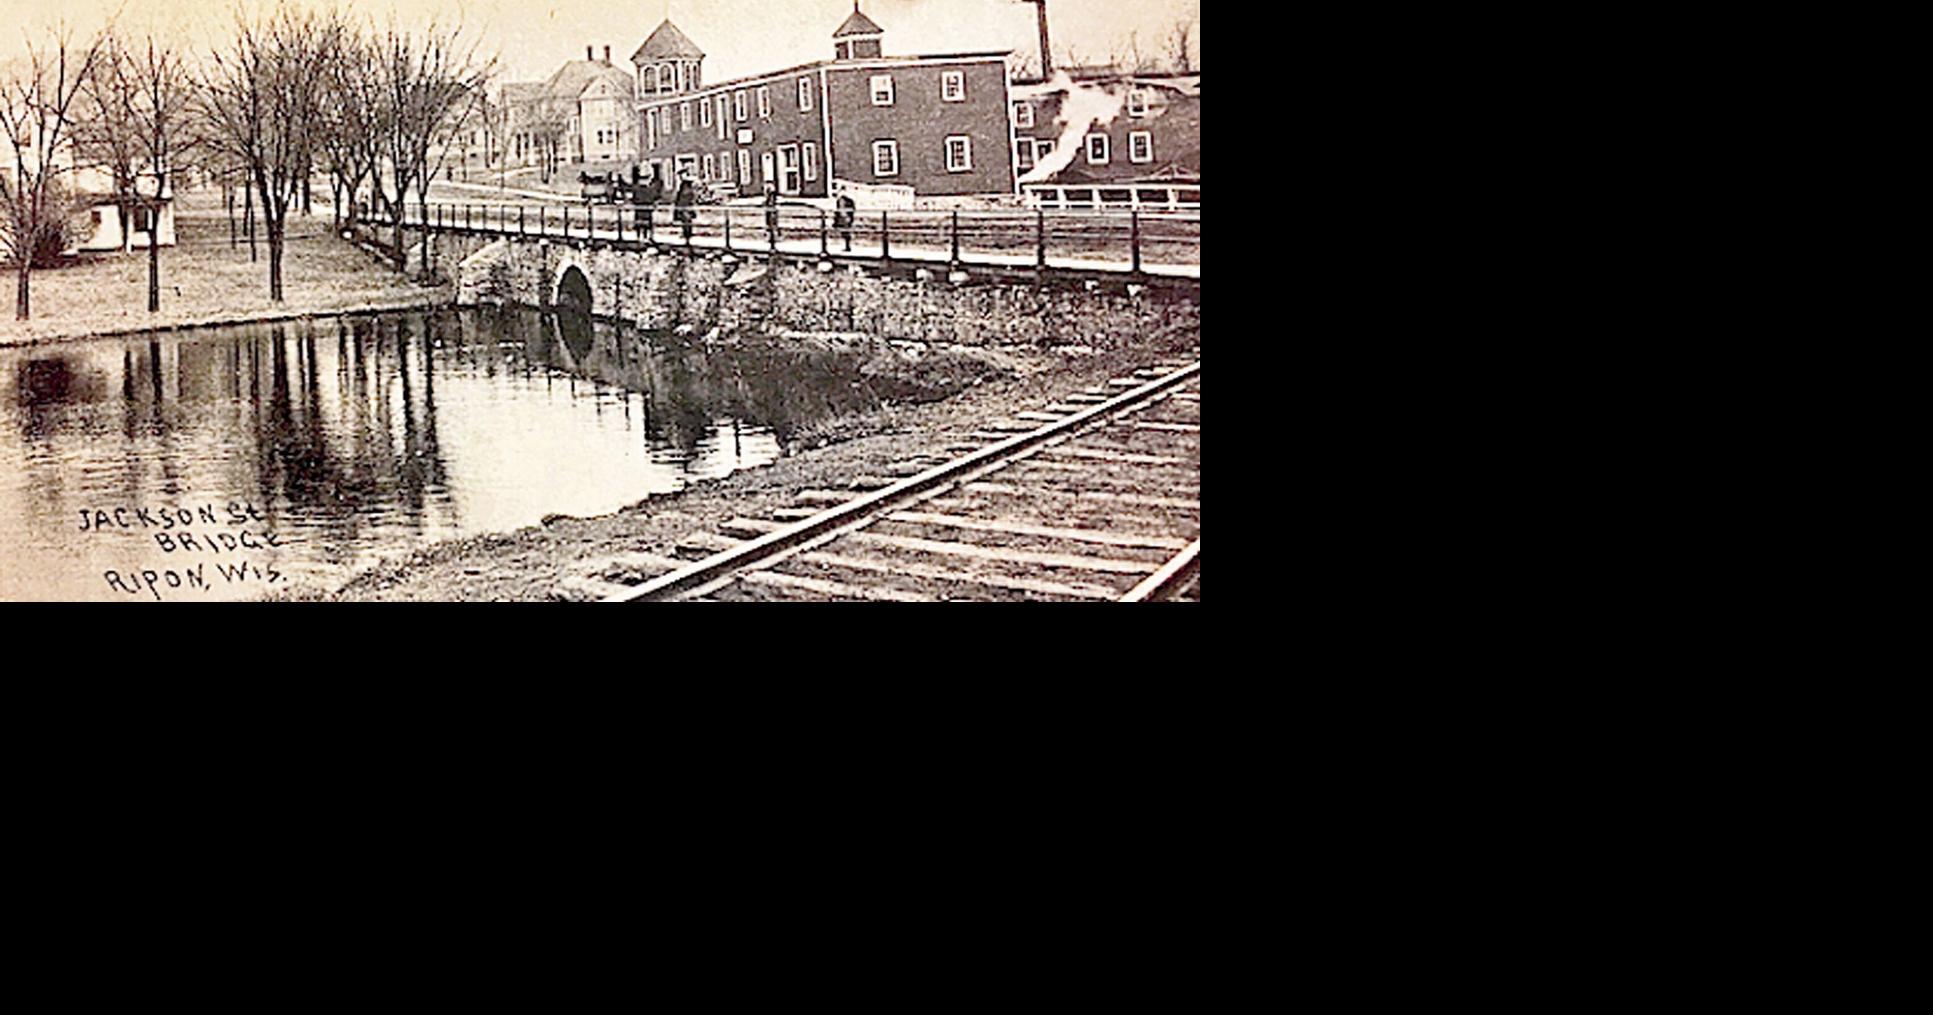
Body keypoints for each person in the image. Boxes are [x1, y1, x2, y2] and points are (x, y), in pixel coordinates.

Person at [636, 166, 663, 240]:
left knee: (644, 223)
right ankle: (644, 236)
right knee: (643, 223)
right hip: (643, 208)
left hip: (644, 208)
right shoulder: (646, 189)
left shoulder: (642, 189)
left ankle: (644, 236)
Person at [674, 175, 696, 243]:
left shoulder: (687, 192)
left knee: (686, 222)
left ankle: (687, 236)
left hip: (685, 208)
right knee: (686, 222)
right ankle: (687, 236)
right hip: (684, 208)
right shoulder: (688, 192)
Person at [763, 184, 780, 250]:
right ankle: (771, 240)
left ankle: (773, 240)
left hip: (772, 214)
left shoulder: (772, 201)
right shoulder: (767, 201)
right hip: (770, 214)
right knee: (770, 225)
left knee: (773, 224)